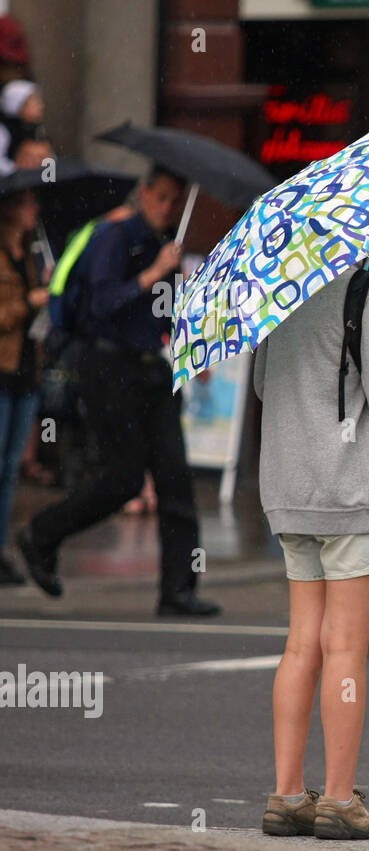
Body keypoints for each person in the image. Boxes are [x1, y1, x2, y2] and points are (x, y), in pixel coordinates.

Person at [255, 254, 369, 840]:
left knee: (303, 641)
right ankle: (337, 798)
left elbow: (261, 383)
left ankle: (285, 794)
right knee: (346, 647)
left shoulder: (281, 290)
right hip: (354, 489)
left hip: (290, 483)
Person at [18, 168, 220, 615]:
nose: (168, 208)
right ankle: (41, 534)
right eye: (162, 197)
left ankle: (178, 591)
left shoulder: (164, 246)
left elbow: (157, 315)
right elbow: (103, 303)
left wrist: (189, 346)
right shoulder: (114, 237)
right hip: (107, 367)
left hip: (151, 368)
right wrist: (154, 272)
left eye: (175, 200)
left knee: (175, 480)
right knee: (121, 479)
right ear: (144, 193)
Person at [0, 188, 44, 584]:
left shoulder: (30, 255)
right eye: (28, 201)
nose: (35, 209)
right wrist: (28, 301)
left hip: (26, 372)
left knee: (11, 468)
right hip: (2, 370)